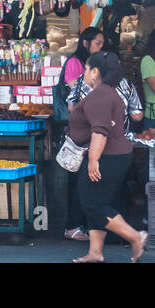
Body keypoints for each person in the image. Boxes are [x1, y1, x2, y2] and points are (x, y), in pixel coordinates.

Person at [68, 52, 147, 262]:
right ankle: (95, 252)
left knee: (93, 204)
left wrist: (93, 160)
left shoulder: (100, 95)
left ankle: (135, 237)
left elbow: (100, 131)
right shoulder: (107, 92)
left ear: (95, 72)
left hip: (107, 156)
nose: (84, 73)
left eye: (86, 69)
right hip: (114, 154)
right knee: (95, 202)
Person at [58, 26, 105, 242]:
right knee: (79, 181)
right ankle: (72, 225)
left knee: (87, 181)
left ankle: (81, 224)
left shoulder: (92, 65)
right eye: (97, 43)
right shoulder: (75, 63)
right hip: (78, 135)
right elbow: (74, 102)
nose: (100, 48)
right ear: (85, 43)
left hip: (89, 132)